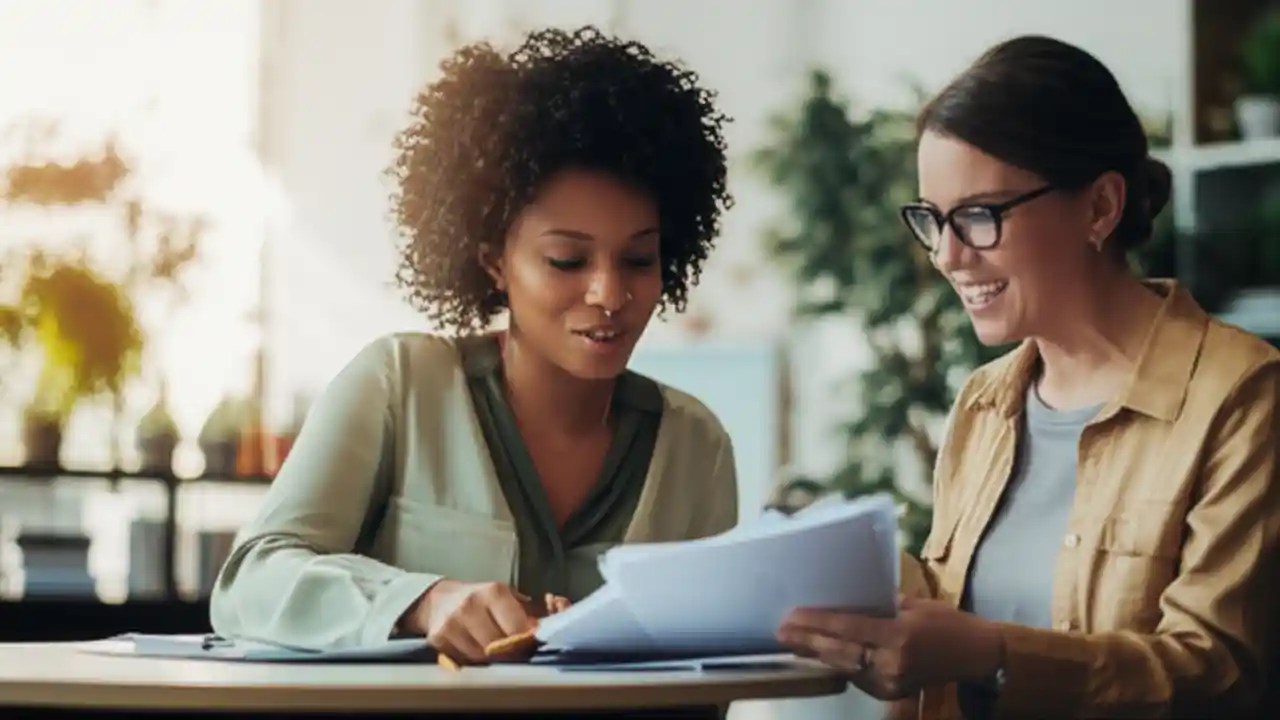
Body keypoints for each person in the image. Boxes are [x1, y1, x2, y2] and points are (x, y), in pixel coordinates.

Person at [777, 35, 1279, 719]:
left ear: (1100, 207)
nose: (949, 256)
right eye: (933, 220)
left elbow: (1220, 672)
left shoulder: (1243, 394)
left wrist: (991, 653)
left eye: (980, 216)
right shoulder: (984, 403)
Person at [211, 26, 738, 666]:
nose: (609, 292)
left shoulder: (694, 447)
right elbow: (251, 583)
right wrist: (423, 600)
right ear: (493, 261)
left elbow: (706, 677)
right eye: (567, 260)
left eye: (638, 259)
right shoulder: (398, 385)